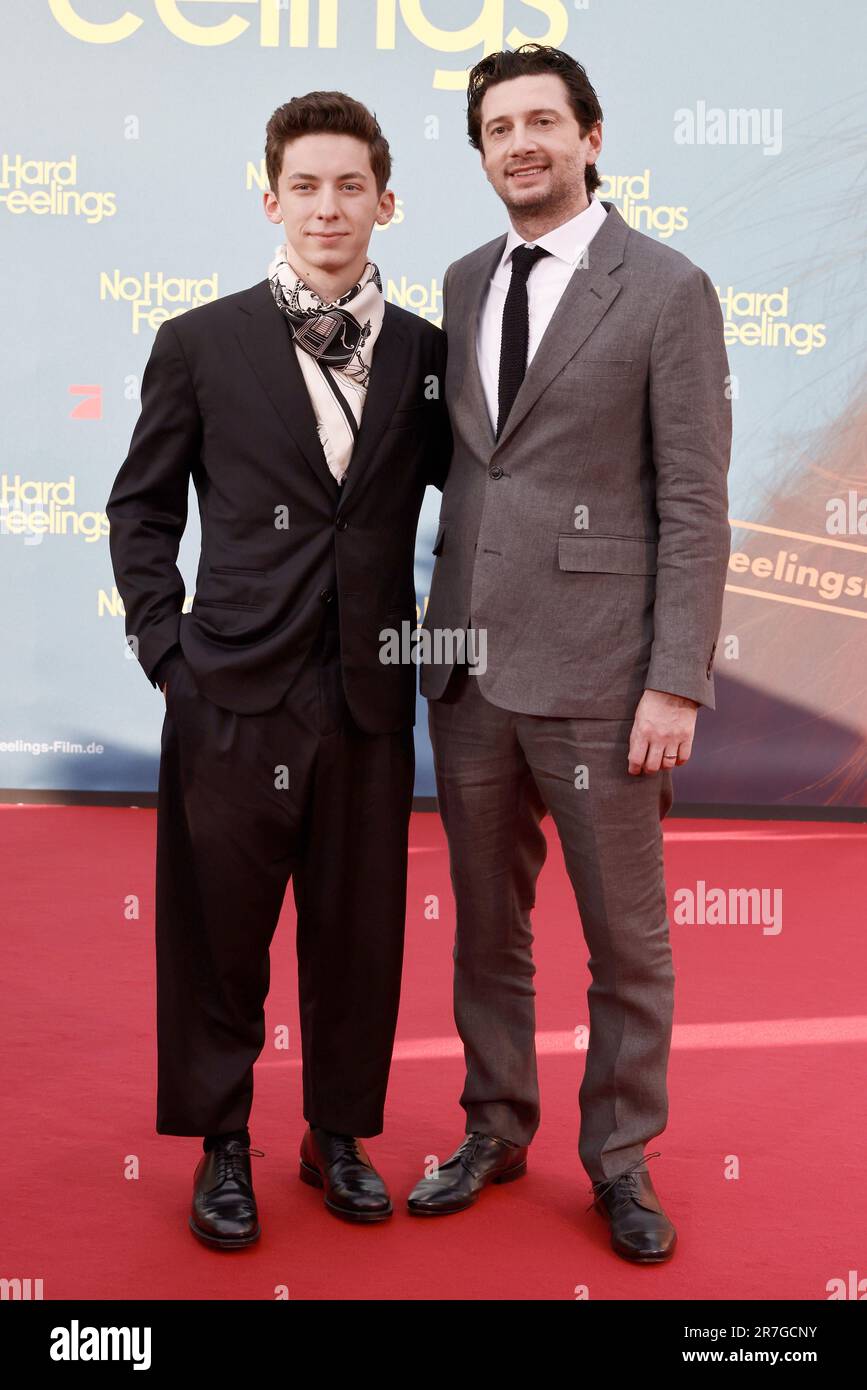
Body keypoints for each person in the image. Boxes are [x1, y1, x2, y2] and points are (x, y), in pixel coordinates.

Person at [106, 91, 450, 1248]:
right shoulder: (198, 342)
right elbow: (140, 509)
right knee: (219, 935)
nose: (328, 206)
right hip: (232, 694)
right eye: (305, 185)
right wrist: (169, 654)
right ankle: (221, 1145)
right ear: (271, 200)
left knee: (359, 935)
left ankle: (337, 1136)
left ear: (386, 203)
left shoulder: (428, 357)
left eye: (351, 184)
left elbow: (496, 503)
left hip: (364, 695)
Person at [409, 44, 731, 1264]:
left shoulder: (667, 286)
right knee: (485, 926)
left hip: (605, 677)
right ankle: (493, 1128)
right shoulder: (460, 279)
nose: (522, 144)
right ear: (482, 150)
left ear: (593, 135)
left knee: (627, 941)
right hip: (471, 669)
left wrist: (676, 677)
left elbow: (695, 502)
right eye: (500, 127)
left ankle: (621, 1160)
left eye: (544, 121)